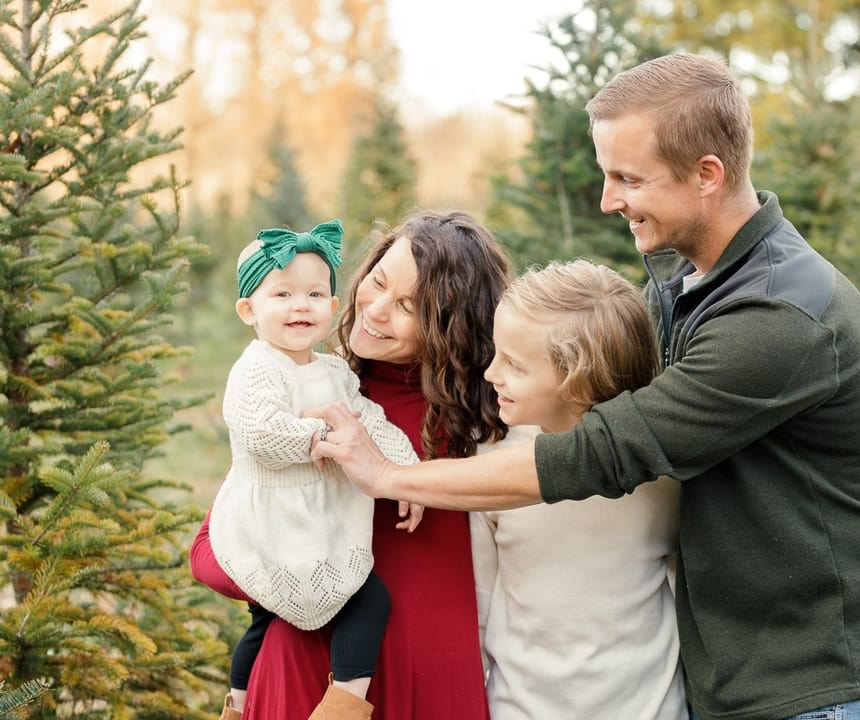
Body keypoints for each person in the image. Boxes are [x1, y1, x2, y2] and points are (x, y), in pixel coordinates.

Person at [314, 53, 860, 720]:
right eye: (606, 174)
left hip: (810, 692)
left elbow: (603, 451)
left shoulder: (779, 317)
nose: (607, 200)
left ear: (707, 175)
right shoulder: (685, 285)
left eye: (629, 178)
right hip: (729, 684)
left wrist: (391, 477)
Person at [190, 210, 508, 720]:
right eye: (378, 282)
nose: (376, 310)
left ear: (451, 325)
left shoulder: (481, 424)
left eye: (408, 305)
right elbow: (208, 551)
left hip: (426, 673)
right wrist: (295, 582)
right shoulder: (317, 389)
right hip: (304, 669)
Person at [202, 219, 422, 720]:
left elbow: (370, 421)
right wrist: (320, 439)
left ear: (332, 306)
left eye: (314, 293)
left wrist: (404, 470)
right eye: (282, 294)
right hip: (272, 518)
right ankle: (239, 705)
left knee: (366, 599)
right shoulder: (256, 368)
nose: (300, 305)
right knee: (266, 615)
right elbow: (259, 431)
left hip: (322, 517)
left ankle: (342, 703)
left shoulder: (335, 372)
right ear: (248, 310)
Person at [471, 258, 687, 719]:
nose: (491, 374)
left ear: (576, 377)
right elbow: (481, 610)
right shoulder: (491, 465)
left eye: (513, 364)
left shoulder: (661, 472)